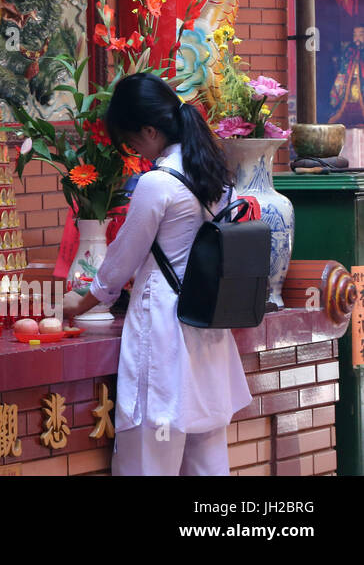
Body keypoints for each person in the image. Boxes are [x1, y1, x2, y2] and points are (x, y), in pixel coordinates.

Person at [64, 72, 252, 475]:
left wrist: (78, 304)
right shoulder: (214, 173)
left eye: (131, 139)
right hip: (207, 327)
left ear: (150, 129)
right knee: (207, 460)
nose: (130, 148)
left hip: (165, 330)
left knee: (151, 458)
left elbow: (120, 261)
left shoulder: (156, 184)